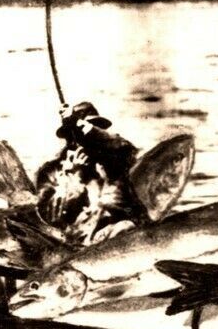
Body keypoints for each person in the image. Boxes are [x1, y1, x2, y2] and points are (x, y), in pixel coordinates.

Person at [35, 101, 142, 243]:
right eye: (77, 135)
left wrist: (77, 124)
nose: (88, 142)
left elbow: (122, 146)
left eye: (97, 131)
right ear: (69, 139)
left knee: (125, 227)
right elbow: (49, 219)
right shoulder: (51, 172)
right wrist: (75, 179)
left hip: (115, 235)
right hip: (76, 242)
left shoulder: (116, 160)